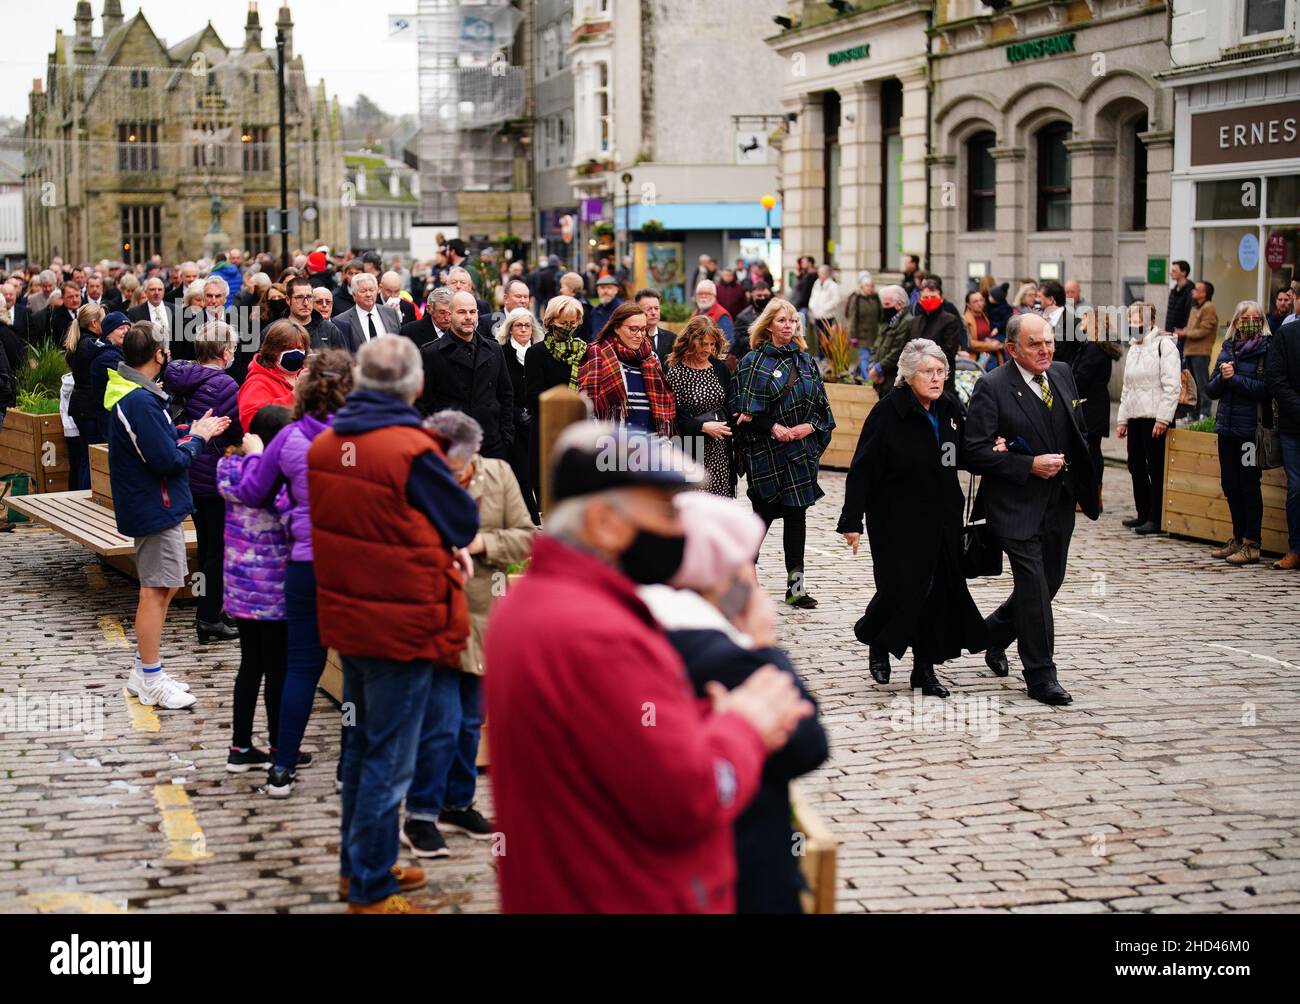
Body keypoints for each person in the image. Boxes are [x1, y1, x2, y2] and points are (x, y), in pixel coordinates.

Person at [483, 422, 814, 913]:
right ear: (602, 520)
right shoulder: (600, 633)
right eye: (662, 509)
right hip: (626, 892)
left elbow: (612, 748)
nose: (678, 527)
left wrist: (698, 721)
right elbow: (685, 798)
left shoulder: (532, 603)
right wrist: (743, 725)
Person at [309, 336, 479, 913]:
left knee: (359, 747)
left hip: (347, 614)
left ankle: (357, 867)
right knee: (389, 758)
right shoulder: (410, 448)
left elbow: (375, 521)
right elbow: (460, 519)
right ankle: (371, 883)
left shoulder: (329, 443)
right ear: (417, 386)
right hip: (398, 623)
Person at [637, 491, 828, 913]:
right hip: (741, 873)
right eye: (744, 566)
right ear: (721, 576)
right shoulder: (722, 655)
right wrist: (763, 644)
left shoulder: (645, 627)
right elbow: (809, 744)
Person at [402, 409, 535, 856]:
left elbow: (525, 536)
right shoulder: (415, 479)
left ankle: (456, 803)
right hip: (435, 613)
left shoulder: (498, 475)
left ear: (473, 452)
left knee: (468, 721)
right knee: (439, 720)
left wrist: (479, 544)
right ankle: (420, 812)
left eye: (455, 464)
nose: (448, 472)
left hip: (482, 616)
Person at [234, 349, 355, 796]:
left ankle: (282, 768)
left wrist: (253, 454)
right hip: (354, 564)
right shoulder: (360, 437)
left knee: (302, 667)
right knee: (355, 669)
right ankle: (348, 767)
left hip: (306, 561)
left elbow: (252, 491)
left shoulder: (289, 438)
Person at [838, 338, 988, 697]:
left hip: (942, 515)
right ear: (908, 375)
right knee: (901, 588)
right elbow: (863, 469)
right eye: (928, 372)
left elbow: (959, 453)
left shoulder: (949, 407)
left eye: (941, 372)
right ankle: (876, 637)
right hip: (896, 518)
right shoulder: (889, 412)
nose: (937, 379)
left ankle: (924, 670)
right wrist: (851, 521)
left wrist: (995, 450)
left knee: (935, 591)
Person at [963, 312, 1099, 706]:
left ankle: (991, 636)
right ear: (1011, 349)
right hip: (1014, 506)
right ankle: (1041, 676)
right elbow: (973, 451)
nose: (1045, 350)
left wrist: (1085, 483)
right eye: (1034, 344)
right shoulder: (991, 386)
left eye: (1049, 341)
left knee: (1046, 585)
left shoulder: (1061, 373)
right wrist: (1027, 465)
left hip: (1059, 504)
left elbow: (1077, 432)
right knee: (1034, 585)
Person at [107, 322, 230, 710]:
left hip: (156, 502)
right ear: (159, 354)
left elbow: (159, 445)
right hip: (154, 504)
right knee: (156, 590)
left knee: (165, 586)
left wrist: (188, 432)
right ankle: (151, 677)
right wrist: (197, 439)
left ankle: (143, 670)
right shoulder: (139, 400)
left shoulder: (141, 395)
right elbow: (165, 460)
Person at [731, 298, 835, 608]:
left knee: (796, 518)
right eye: (782, 321)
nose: (788, 326)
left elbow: (822, 406)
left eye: (792, 321)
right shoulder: (753, 361)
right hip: (766, 451)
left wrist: (810, 427)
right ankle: (743, 580)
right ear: (768, 325)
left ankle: (796, 588)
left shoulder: (805, 361)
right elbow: (740, 411)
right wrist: (772, 426)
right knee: (760, 518)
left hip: (799, 452)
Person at [217, 403, 294, 773]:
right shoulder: (277, 475)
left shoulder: (229, 467)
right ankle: (281, 748)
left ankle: (240, 745)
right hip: (274, 592)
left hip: (240, 591)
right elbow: (273, 500)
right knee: (278, 669)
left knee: (250, 665)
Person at [162, 321, 244, 642]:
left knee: (205, 545)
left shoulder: (183, 375)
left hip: (190, 473)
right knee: (217, 549)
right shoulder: (225, 384)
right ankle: (209, 616)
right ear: (225, 352)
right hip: (213, 477)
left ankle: (208, 607)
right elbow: (235, 430)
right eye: (233, 350)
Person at [1206, 300, 1272, 566]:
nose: (1251, 322)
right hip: (1227, 428)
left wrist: (1235, 380)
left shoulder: (1266, 350)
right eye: (1246, 318)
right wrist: (1222, 378)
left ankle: (1252, 542)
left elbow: (1266, 389)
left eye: (1256, 317)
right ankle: (1237, 536)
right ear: (1236, 322)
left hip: (1250, 433)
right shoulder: (1227, 348)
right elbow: (1210, 390)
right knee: (1230, 485)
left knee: (1248, 485)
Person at [418, 291, 514, 459]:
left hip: (491, 442)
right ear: (450, 314)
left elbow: (505, 395)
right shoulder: (431, 353)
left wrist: (505, 435)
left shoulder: (494, 349)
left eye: (472, 312)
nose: (468, 317)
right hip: (451, 444)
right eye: (462, 312)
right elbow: (423, 402)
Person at [1116, 302, 1181, 536]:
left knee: (1156, 466)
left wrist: (1163, 419)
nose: (1134, 324)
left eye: (1137, 319)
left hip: (1155, 416)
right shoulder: (1133, 348)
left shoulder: (1165, 346)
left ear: (1150, 321)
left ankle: (1156, 517)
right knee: (1135, 465)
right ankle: (1142, 513)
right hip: (1135, 415)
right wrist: (1122, 419)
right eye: (1131, 320)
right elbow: (1127, 387)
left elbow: (1172, 385)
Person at [578, 301, 675, 437]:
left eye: (643, 329)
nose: (640, 335)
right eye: (633, 329)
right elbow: (586, 403)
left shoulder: (651, 357)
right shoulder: (597, 354)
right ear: (616, 328)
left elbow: (662, 406)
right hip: (611, 444)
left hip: (650, 443)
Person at [666, 316, 735, 497]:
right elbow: (673, 416)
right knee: (692, 505)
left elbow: (729, 402)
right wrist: (702, 427)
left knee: (718, 504)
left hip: (719, 449)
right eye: (703, 344)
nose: (708, 349)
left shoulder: (719, 368)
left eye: (712, 344)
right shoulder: (677, 372)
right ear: (690, 341)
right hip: (689, 447)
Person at [496, 306, 543, 524]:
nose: (523, 329)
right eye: (518, 325)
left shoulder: (540, 351)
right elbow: (501, 389)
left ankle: (542, 514)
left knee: (539, 471)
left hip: (538, 419)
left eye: (527, 325)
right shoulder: (502, 352)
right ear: (510, 328)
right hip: (513, 421)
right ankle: (530, 520)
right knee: (521, 473)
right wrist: (516, 413)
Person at [1071, 307, 1120, 513]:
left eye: (1083, 320)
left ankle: (1090, 497)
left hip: (1090, 405)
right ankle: (1092, 497)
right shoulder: (1093, 346)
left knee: (1089, 452)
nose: (1079, 324)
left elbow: (1081, 378)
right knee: (1092, 450)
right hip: (1094, 403)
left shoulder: (1094, 348)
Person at [1265, 312, 1300, 570]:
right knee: (1297, 486)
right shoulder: (1287, 334)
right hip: (1294, 426)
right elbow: (1275, 378)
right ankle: (1296, 549)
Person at [63, 303, 106, 491]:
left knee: (85, 456)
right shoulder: (90, 345)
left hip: (80, 405)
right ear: (95, 323)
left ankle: (82, 495)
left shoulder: (80, 342)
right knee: (91, 456)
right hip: (89, 407)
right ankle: (86, 497)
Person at [237, 320, 309, 431]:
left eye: (299, 348)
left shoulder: (307, 377)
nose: (295, 353)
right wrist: (295, 396)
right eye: (289, 348)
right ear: (272, 351)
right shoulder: (257, 383)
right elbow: (252, 424)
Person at [912, 278, 964, 392]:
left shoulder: (950, 321)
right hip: (916, 382)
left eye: (933, 297)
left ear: (941, 299)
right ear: (920, 300)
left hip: (941, 384)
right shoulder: (915, 322)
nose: (929, 300)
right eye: (925, 297)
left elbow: (948, 353)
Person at [331, 273, 402, 351]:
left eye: (371, 290)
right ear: (354, 295)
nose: (368, 294)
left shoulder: (391, 314)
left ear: (377, 291)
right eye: (363, 291)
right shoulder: (341, 321)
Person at [1183, 280, 1219, 421]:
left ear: (1205, 293)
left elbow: (1204, 330)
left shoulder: (1209, 307)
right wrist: (1184, 331)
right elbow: (1192, 328)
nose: (1193, 291)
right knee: (1192, 386)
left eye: (1197, 289)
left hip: (1201, 352)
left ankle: (1205, 413)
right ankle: (1193, 414)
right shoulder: (1195, 308)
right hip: (1190, 351)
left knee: (1202, 384)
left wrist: (1185, 333)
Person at [732, 282, 773, 368]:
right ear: (752, 296)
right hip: (750, 360)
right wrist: (758, 340)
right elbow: (738, 340)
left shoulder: (775, 315)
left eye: (765, 296)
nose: (762, 298)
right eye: (759, 295)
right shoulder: (742, 317)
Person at [963, 289, 1005, 369]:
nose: (980, 304)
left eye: (981, 300)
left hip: (992, 358)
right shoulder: (965, 320)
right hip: (976, 360)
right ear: (968, 305)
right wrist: (990, 345)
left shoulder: (985, 316)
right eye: (975, 301)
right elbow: (969, 343)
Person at [845, 272, 882, 357]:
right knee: (864, 357)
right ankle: (863, 370)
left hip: (874, 334)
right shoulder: (856, 299)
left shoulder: (876, 298)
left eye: (871, 286)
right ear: (862, 286)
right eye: (867, 286)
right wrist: (852, 336)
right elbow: (852, 319)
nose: (870, 288)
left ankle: (858, 369)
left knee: (871, 357)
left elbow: (881, 316)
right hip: (861, 335)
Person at [692, 279, 735, 345]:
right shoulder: (695, 313)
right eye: (700, 293)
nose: (703, 296)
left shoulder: (722, 314)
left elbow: (728, 341)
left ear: (714, 296)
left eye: (707, 293)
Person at [807, 265, 843, 342]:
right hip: (817, 315)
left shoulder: (833, 285)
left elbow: (836, 300)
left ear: (827, 273)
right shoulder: (817, 283)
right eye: (819, 272)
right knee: (819, 338)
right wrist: (812, 306)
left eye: (821, 272)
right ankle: (819, 354)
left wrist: (825, 307)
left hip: (828, 317)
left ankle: (824, 354)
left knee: (827, 339)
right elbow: (812, 296)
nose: (819, 274)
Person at [1165, 260, 1194, 342]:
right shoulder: (1174, 290)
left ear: (1183, 273)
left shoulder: (1190, 291)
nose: (1171, 273)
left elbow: (1189, 314)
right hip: (1171, 335)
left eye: (1174, 271)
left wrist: (1184, 332)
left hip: (1182, 337)